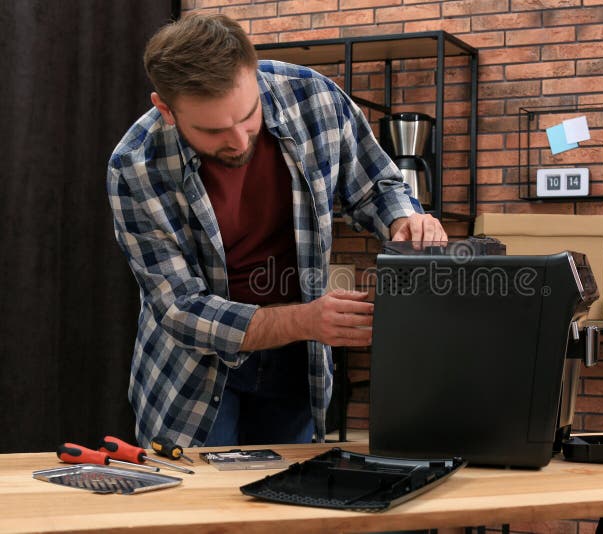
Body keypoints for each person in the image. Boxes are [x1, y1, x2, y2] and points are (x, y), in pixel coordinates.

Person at [106, 13, 447, 448]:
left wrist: (405, 220)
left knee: (285, 502)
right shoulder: (135, 165)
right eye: (213, 130)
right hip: (193, 374)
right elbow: (180, 309)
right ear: (166, 110)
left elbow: (376, 185)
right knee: (204, 513)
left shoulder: (314, 97)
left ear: (254, 73)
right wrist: (306, 319)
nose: (240, 141)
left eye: (249, 116)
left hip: (296, 361)